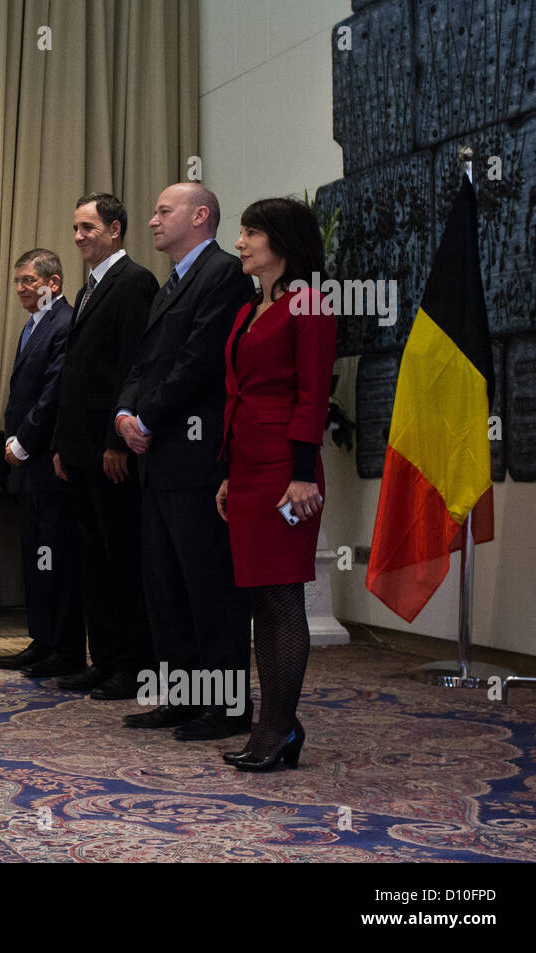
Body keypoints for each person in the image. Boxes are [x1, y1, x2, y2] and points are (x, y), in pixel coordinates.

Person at [115, 182, 254, 741]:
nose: (152, 220)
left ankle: (226, 707)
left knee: (208, 587)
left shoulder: (223, 274)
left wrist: (146, 419)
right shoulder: (171, 281)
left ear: (199, 216)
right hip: (158, 459)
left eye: (163, 211)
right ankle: (181, 696)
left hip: (195, 459)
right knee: (165, 586)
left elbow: (199, 361)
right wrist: (124, 414)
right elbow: (144, 363)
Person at [217, 198, 335, 770]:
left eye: (251, 233)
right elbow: (237, 394)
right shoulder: (249, 309)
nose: (240, 242)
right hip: (246, 469)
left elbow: (313, 395)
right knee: (261, 600)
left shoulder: (309, 304)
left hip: (287, 473)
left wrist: (303, 474)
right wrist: (227, 472)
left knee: (283, 598)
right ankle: (278, 723)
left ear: (282, 242)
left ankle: (278, 728)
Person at [47, 193, 158, 699]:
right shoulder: (88, 289)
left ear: (115, 230)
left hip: (110, 452)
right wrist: (60, 444)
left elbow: (134, 366)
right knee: (92, 561)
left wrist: (117, 439)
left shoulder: (134, 282)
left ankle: (134, 666)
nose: (78, 237)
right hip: (79, 450)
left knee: (121, 562)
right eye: (75, 228)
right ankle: (106, 659)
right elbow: (74, 375)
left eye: (87, 227)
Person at [0, 249, 83, 673]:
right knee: (35, 553)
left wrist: (24, 442)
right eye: (18, 281)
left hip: (49, 459)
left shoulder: (64, 323)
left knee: (56, 555)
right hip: (31, 462)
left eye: (29, 280)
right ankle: (42, 639)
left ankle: (63, 649)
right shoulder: (33, 324)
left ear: (54, 283)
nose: (21, 289)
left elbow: (53, 393)